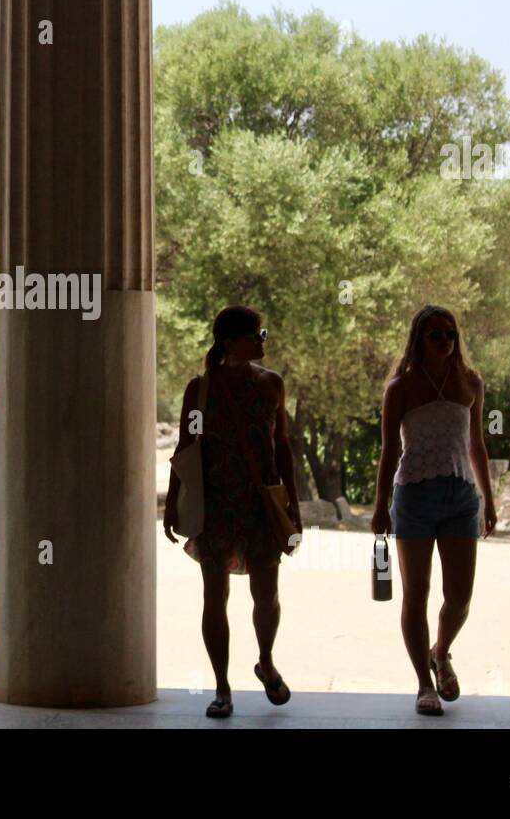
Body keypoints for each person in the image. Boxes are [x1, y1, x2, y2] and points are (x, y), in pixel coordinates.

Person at [163, 305, 302, 718]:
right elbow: (187, 448)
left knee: (267, 594)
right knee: (214, 596)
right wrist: (173, 501)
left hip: (261, 504)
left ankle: (265, 660)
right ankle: (222, 687)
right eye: (256, 334)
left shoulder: (272, 384)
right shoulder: (200, 390)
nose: (262, 340)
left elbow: (282, 447)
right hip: (216, 504)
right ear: (230, 342)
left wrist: (292, 505)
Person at [372, 305, 498, 716]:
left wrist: (488, 499)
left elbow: (477, 446)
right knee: (416, 594)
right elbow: (390, 450)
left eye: (450, 333)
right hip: (414, 497)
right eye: (435, 334)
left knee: (460, 597)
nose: (445, 340)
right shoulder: (401, 388)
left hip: (462, 497)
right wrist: (379, 508)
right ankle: (424, 684)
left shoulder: (471, 383)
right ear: (419, 339)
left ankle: (440, 653)